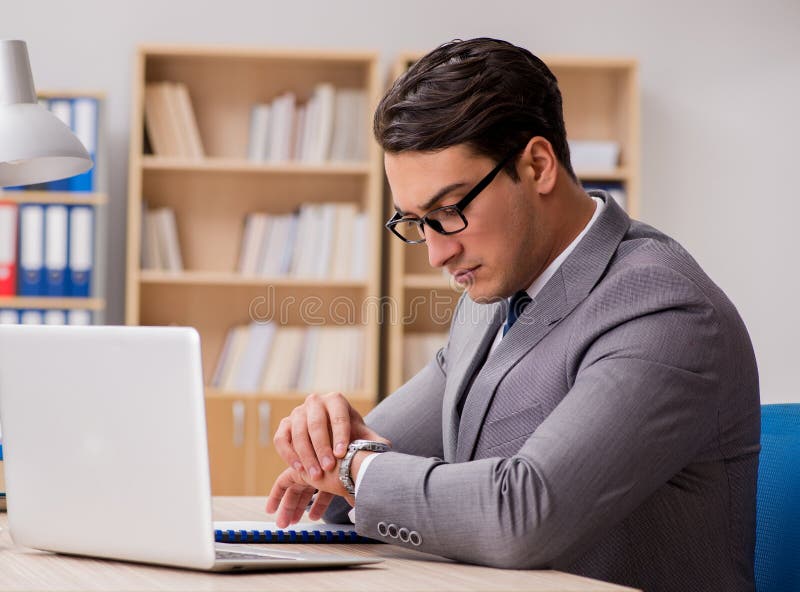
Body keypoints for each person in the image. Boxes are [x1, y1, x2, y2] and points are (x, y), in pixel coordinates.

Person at [265, 38, 760, 591]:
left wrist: (356, 468)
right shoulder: (491, 302)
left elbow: (521, 516)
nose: (436, 253)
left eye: (449, 210)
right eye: (416, 222)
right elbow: (366, 479)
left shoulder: (664, 309)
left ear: (537, 165)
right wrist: (328, 445)